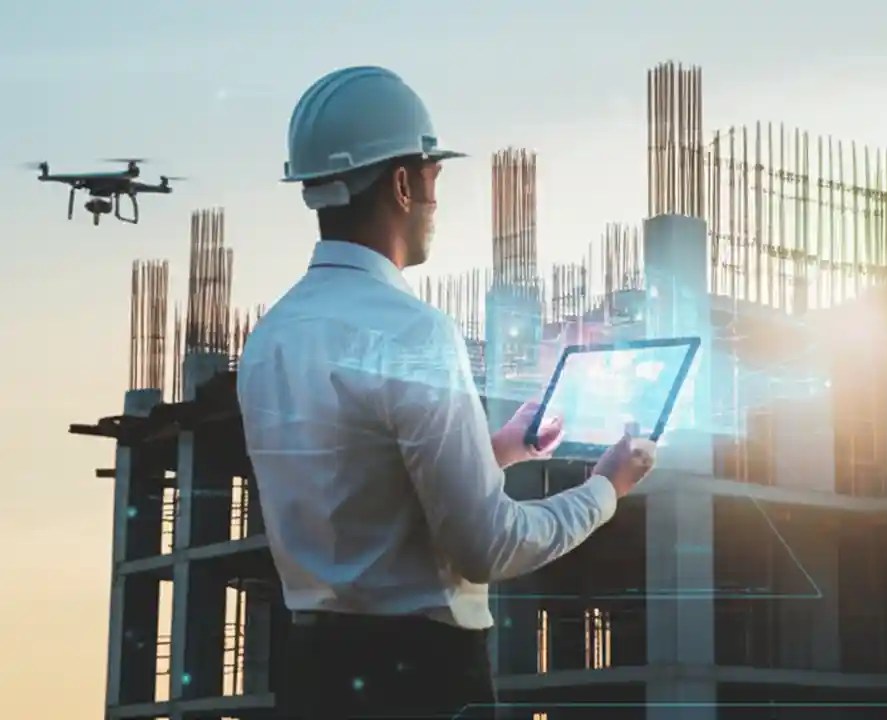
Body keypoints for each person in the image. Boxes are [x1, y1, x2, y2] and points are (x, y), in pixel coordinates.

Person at [236, 65, 657, 720]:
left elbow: (362, 494)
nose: (437, 195)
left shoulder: (270, 340)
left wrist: (499, 450)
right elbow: (485, 545)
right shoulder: (415, 333)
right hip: (421, 679)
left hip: (310, 674)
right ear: (402, 185)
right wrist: (606, 488)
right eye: (433, 174)